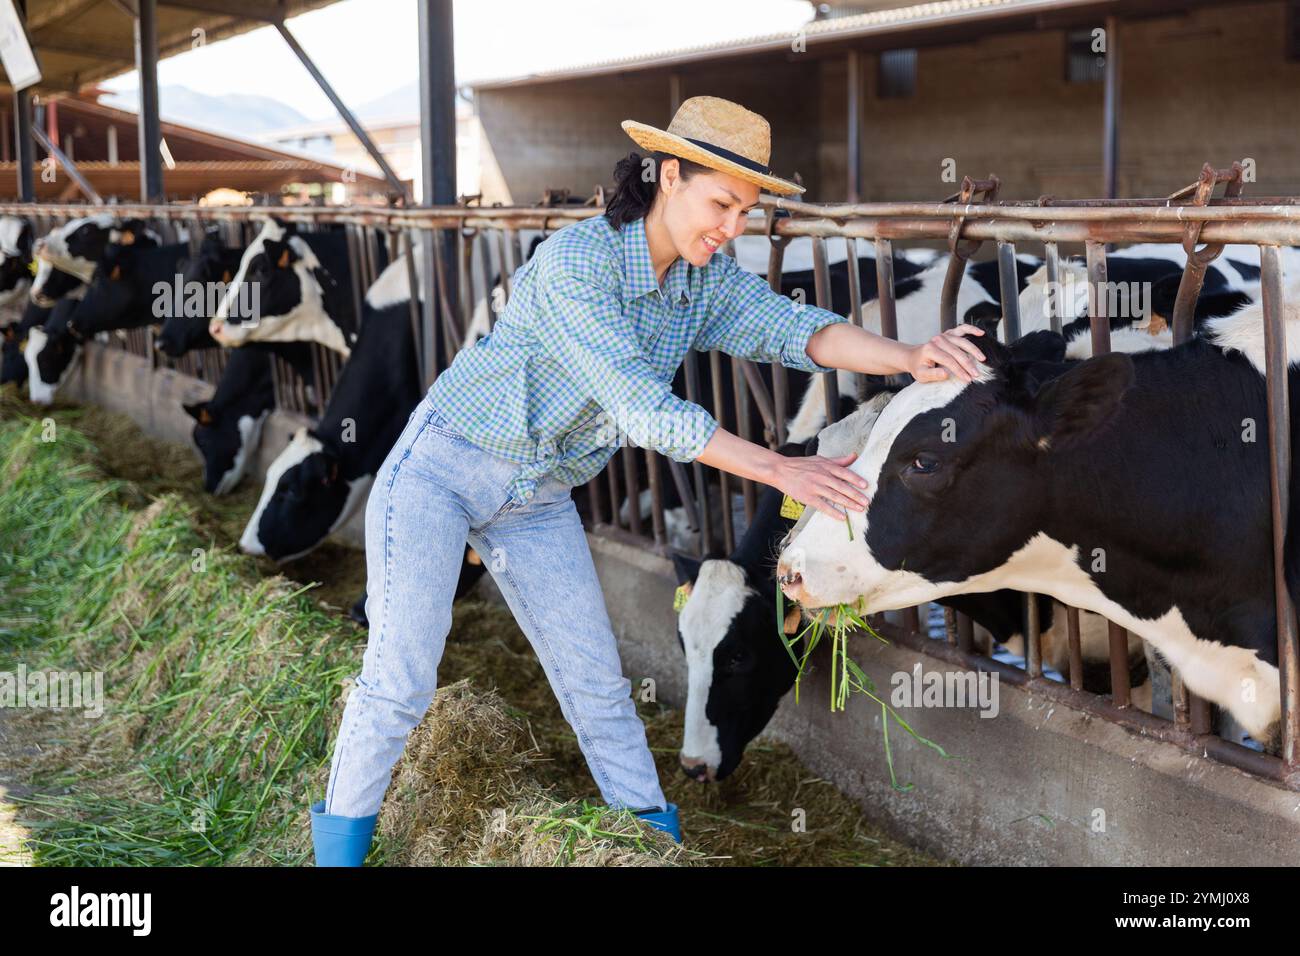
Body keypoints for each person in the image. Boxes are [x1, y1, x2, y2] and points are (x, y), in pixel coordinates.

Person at [308, 95, 985, 865]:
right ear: (669, 175)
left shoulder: (703, 281)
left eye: (746, 211)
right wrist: (781, 466)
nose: (732, 227)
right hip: (443, 468)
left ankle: (654, 851)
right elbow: (644, 410)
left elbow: (797, 330)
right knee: (400, 680)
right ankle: (337, 857)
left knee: (599, 688)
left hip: (534, 500)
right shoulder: (578, 264)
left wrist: (908, 358)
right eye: (721, 202)